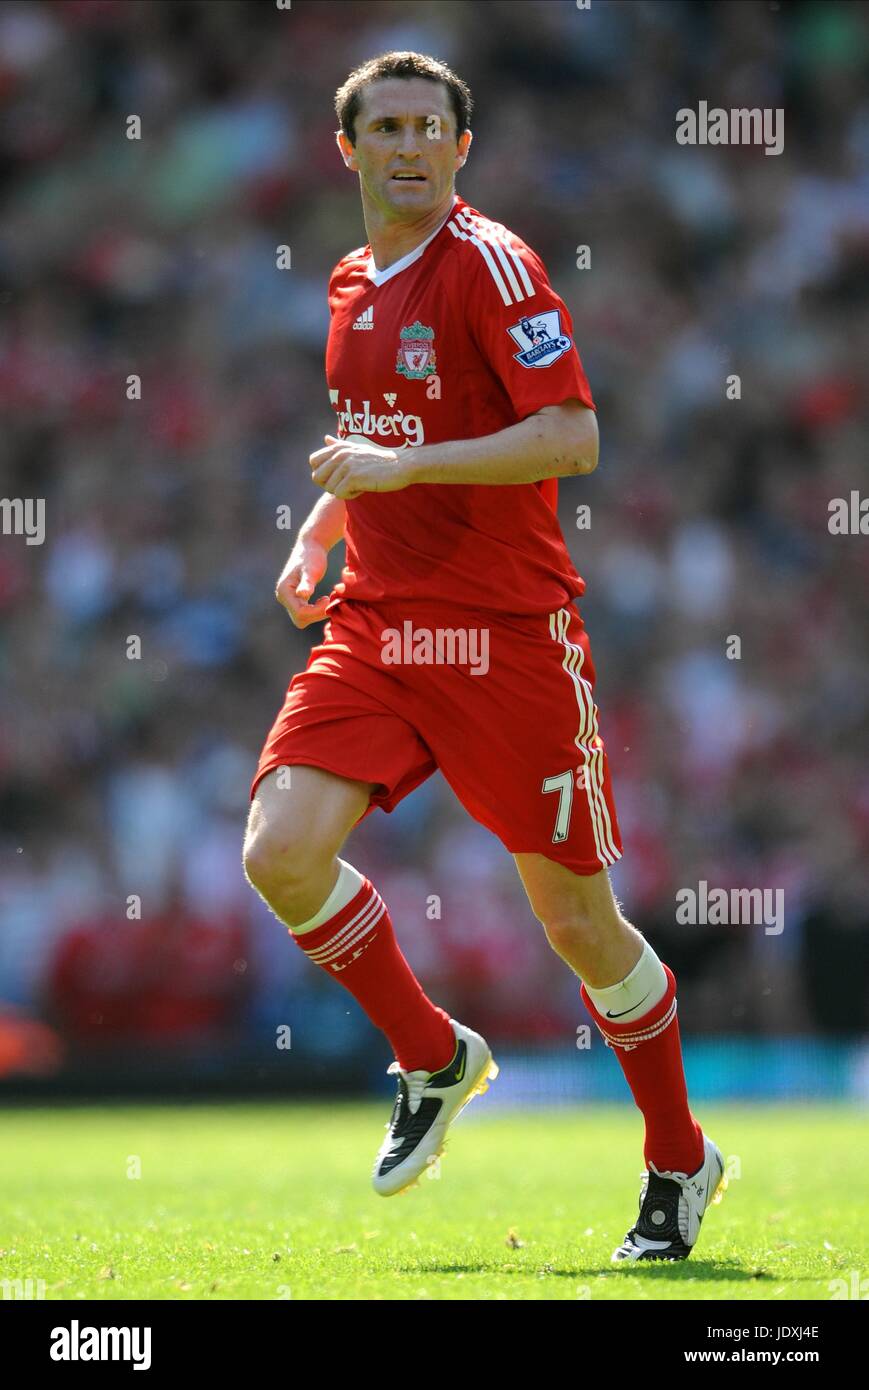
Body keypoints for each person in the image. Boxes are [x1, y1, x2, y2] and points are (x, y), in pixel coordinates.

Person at [242, 51, 726, 1263]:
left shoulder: (491, 264)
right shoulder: (352, 279)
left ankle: (679, 1157)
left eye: (430, 127)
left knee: (574, 923)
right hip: (377, 630)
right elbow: (377, 427)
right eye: (385, 127)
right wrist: (325, 519)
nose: (408, 145)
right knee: (279, 855)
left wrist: (402, 472)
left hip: (506, 638)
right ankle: (432, 1056)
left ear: (463, 146)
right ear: (344, 149)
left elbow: (572, 434)